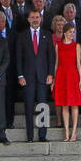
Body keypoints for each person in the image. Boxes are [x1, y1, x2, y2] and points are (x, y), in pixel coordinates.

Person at [15, 9, 54, 143]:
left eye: (37, 17)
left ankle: (42, 135)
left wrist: (50, 74)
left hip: (43, 77)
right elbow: (18, 57)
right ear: (28, 19)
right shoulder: (22, 36)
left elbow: (51, 57)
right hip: (27, 77)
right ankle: (30, 136)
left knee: (43, 106)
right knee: (29, 107)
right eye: (33, 17)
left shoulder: (47, 35)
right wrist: (20, 75)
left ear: (41, 18)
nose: (35, 19)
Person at [52, 22, 81, 142]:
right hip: (61, 75)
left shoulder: (77, 46)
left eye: (73, 32)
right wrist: (54, 80)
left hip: (73, 75)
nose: (72, 34)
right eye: (70, 32)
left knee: (74, 104)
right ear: (65, 32)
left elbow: (78, 64)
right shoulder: (58, 46)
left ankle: (74, 132)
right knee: (64, 104)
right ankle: (66, 132)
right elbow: (57, 63)